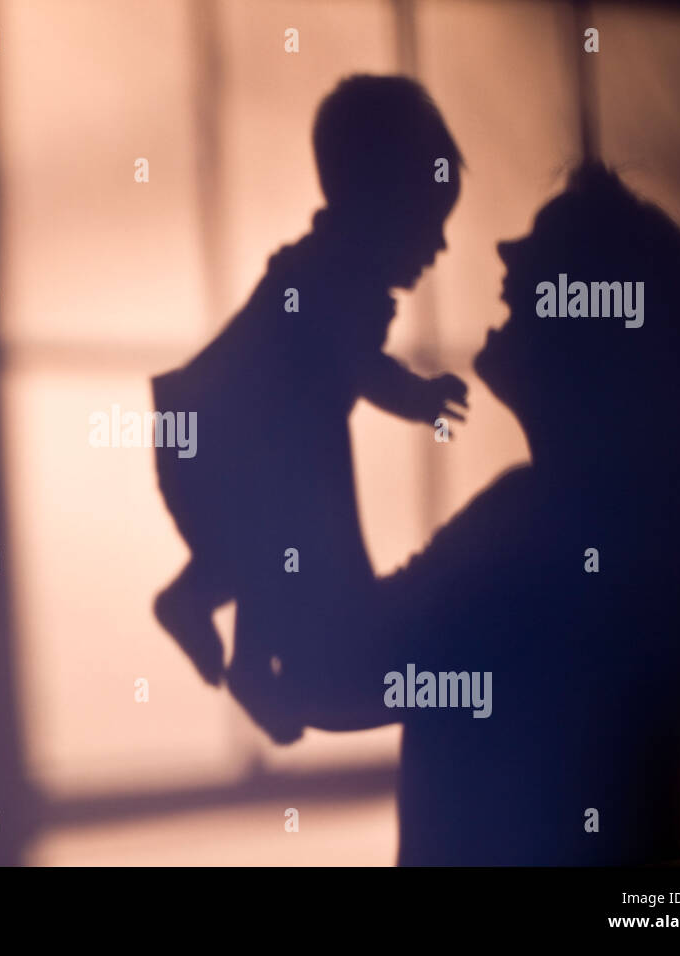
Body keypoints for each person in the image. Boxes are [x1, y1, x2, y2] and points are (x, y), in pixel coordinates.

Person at [242, 164, 680, 863]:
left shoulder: (533, 528)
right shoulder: (623, 536)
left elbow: (331, 673)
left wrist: (300, 412)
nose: (505, 253)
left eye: (546, 248)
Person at [151, 75, 468, 742]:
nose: (439, 249)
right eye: (428, 225)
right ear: (378, 209)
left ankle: (205, 616)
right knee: (281, 538)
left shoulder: (324, 269)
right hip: (228, 444)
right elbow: (351, 363)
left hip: (211, 442)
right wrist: (418, 397)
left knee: (263, 549)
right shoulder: (332, 278)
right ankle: (252, 666)